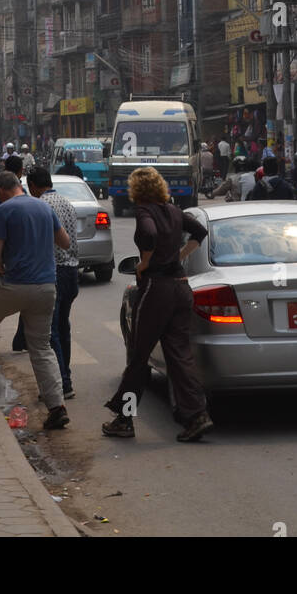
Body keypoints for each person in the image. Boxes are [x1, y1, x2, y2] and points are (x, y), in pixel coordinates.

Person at [103, 167, 213, 443]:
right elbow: (199, 231)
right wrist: (179, 255)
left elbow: (149, 234)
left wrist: (145, 262)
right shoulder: (174, 210)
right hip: (181, 287)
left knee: (139, 357)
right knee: (180, 356)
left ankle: (124, 419)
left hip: (156, 289)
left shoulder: (144, 212)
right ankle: (197, 415)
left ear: (136, 189)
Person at [0, 170, 72, 431]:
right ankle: (57, 407)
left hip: (16, 284)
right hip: (46, 287)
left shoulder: (4, 210)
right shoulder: (44, 207)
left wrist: (4, 270)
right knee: (41, 347)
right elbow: (65, 242)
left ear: (0, 191)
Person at [27, 166, 79, 401]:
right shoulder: (66, 203)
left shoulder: (40, 206)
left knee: (52, 332)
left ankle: (61, 384)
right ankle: (65, 378)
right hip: (72, 271)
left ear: (33, 186)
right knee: (63, 327)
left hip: (53, 272)